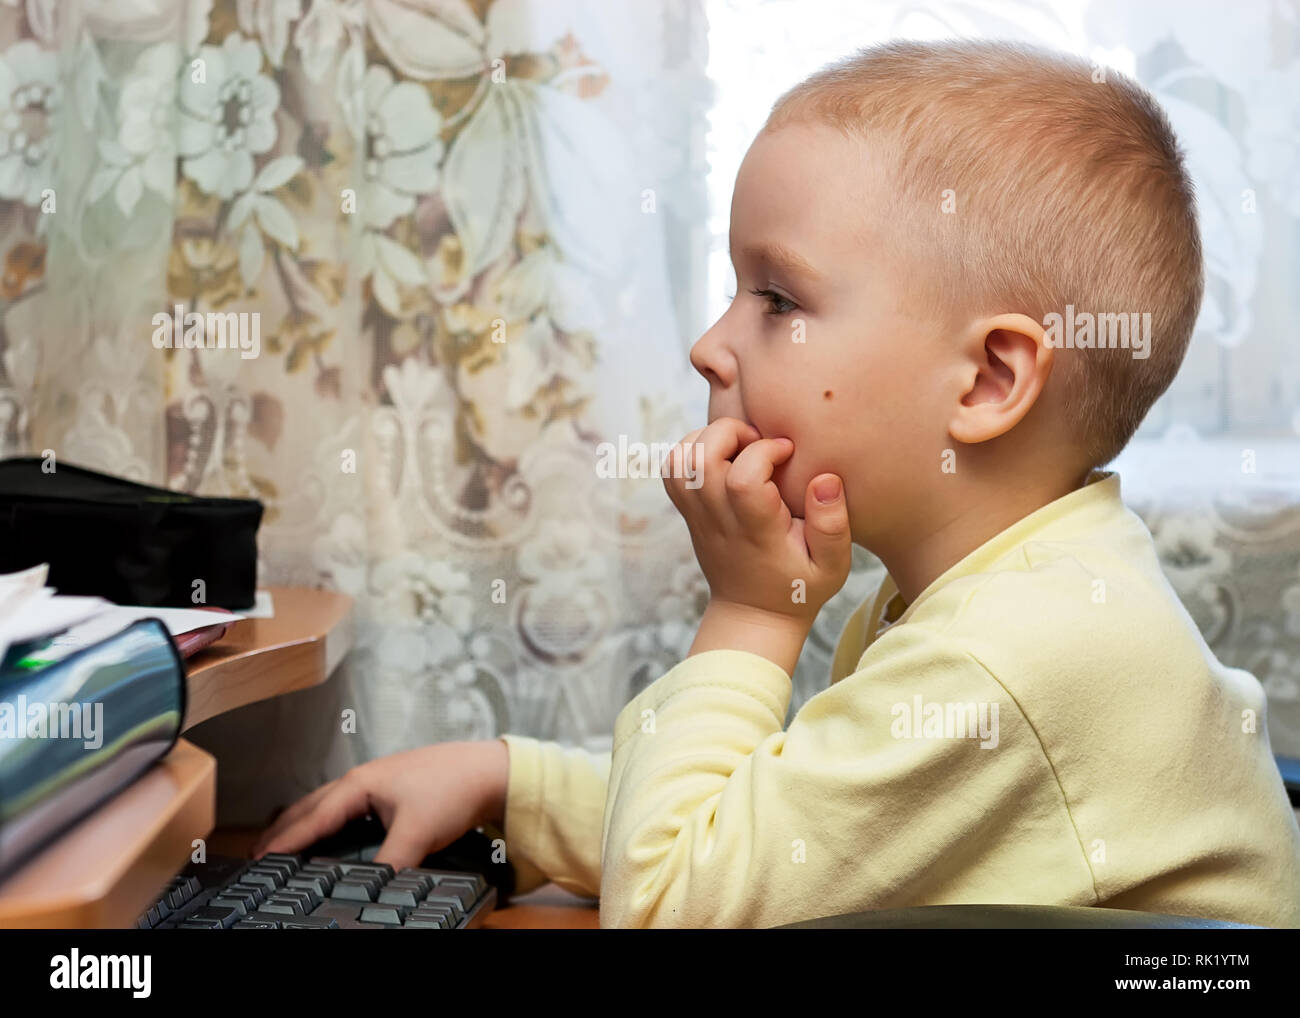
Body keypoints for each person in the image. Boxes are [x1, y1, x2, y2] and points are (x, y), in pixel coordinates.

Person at [255, 39, 1300, 929]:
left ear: (986, 379)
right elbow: (785, 820)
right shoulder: (1017, 591)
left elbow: (671, 906)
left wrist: (751, 613)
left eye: (777, 299)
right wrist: (514, 784)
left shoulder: (1010, 659)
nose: (712, 348)